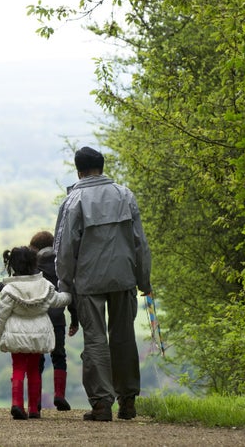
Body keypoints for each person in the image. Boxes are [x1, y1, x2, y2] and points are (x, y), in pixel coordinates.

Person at [54, 146, 152, 422]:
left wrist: (65, 284)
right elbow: (139, 243)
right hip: (124, 279)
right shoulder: (125, 195)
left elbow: (63, 248)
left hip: (88, 281)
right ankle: (128, 401)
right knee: (124, 338)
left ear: (79, 170)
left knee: (95, 340)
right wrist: (144, 279)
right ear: (102, 166)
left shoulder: (74, 201)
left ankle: (101, 404)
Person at [0, 230, 78, 410]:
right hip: (56, 318)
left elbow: (15, 291)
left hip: (33, 320)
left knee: (34, 362)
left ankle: (32, 402)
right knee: (59, 356)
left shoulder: (33, 268)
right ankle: (59, 395)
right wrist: (75, 318)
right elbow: (65, 295)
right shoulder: (62, 264)